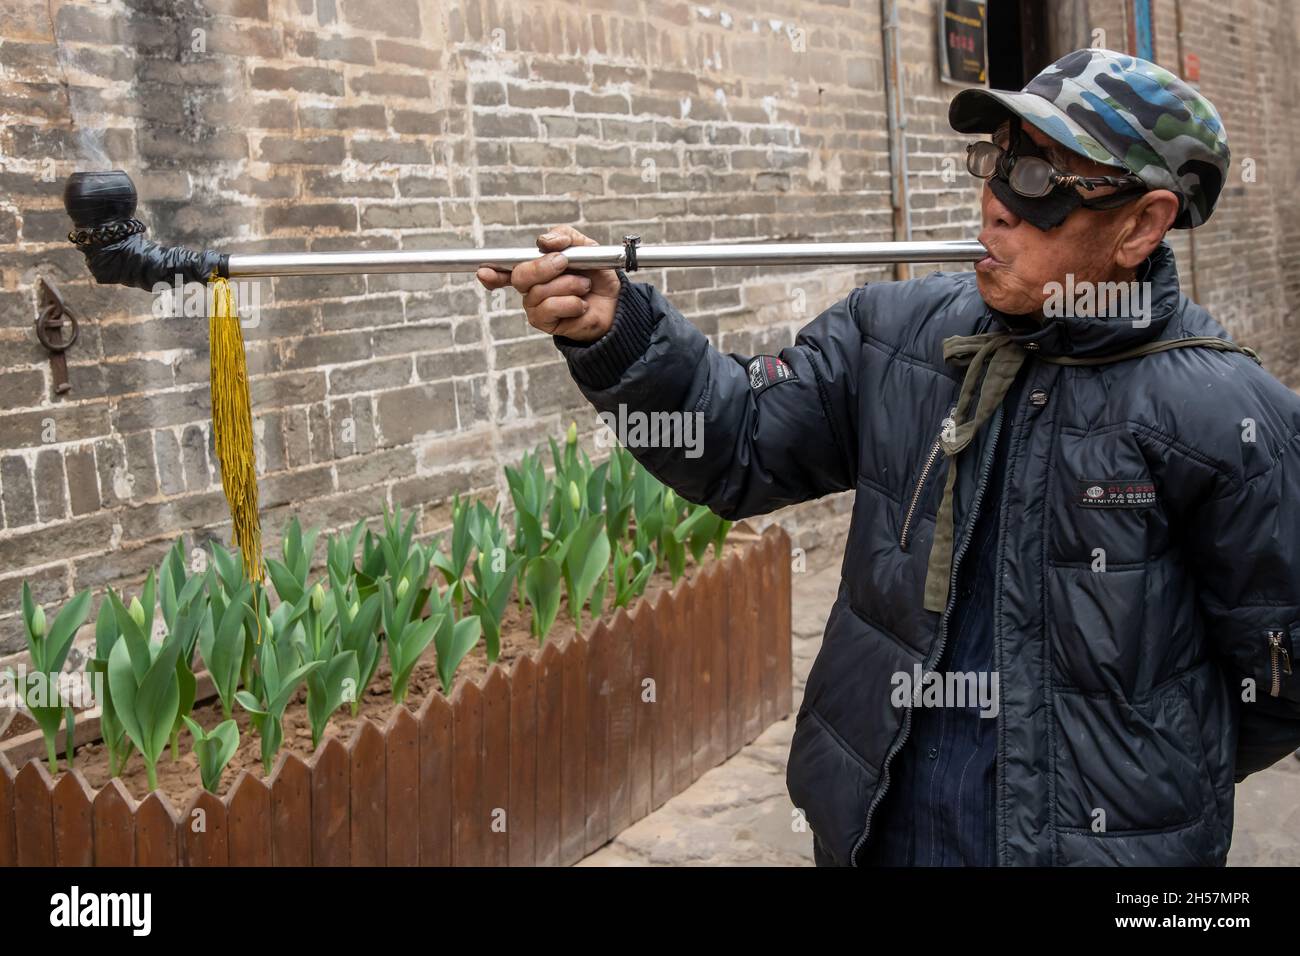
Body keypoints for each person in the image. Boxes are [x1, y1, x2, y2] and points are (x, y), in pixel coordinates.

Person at [477, 49, 1300, 866]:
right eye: (996, 163)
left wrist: (1133, 785)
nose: (996, 204)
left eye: (1042, 183)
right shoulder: (896, 334)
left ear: (1143, 223)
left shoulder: (1229, 417)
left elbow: (1274, 685)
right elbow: (739, 444)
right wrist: (617, 331)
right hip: (879, 836)